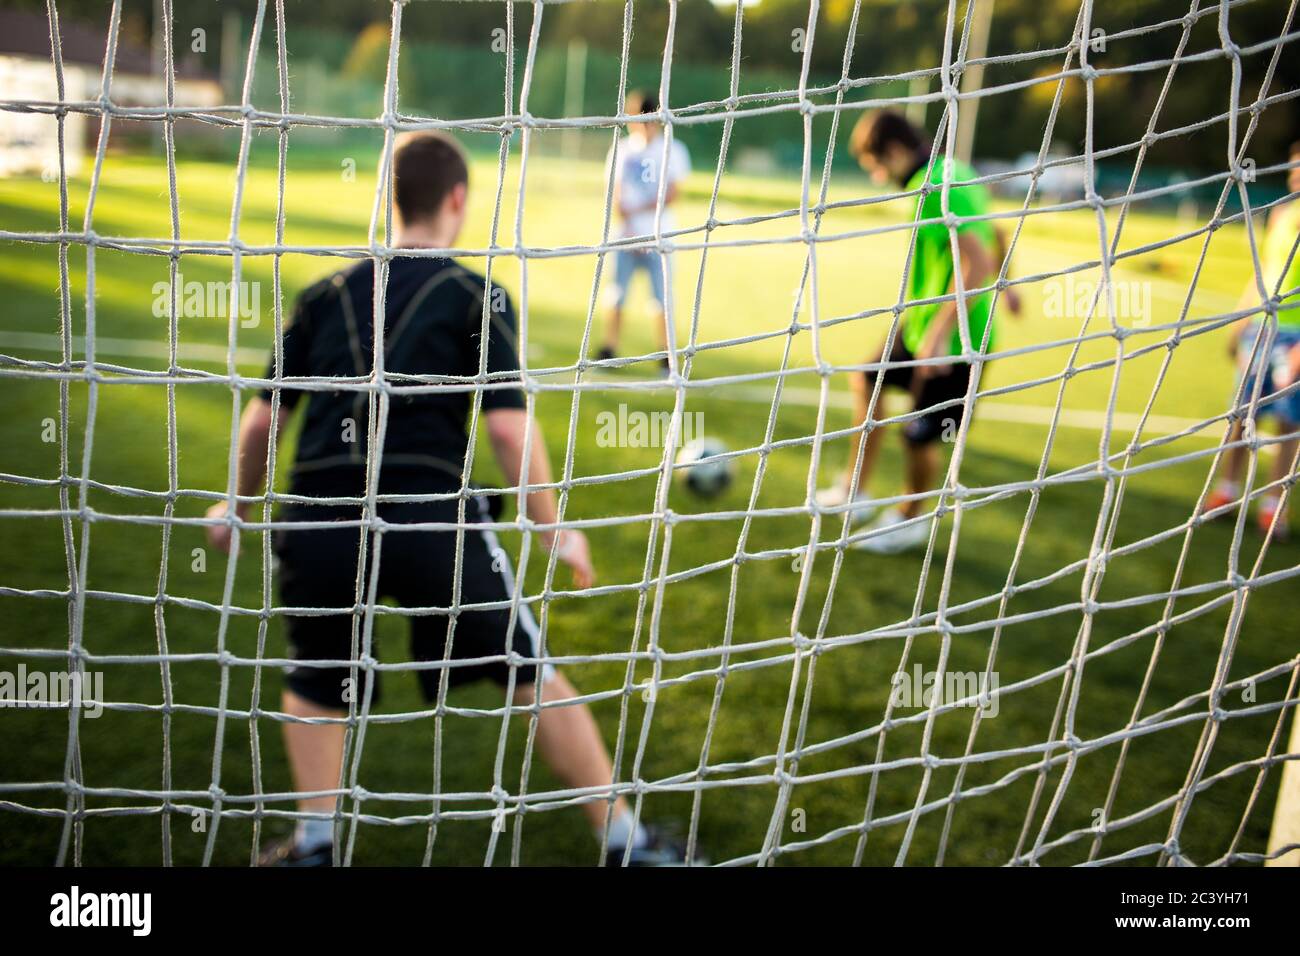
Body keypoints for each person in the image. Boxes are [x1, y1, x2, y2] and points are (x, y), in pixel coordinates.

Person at [205, 131, 696, 866]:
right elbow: (507, 429)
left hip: (320, 520)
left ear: (392, 198)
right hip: (430, 520)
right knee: (530, 670)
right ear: (458, 200)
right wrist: (553, 528)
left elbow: (265, 418)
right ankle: (626, 840)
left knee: (315, 677)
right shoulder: (476, 294)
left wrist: (234, 508)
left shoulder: (325, 294)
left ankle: (314, 842)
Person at [816, 110, 1019, 554]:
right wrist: (1012, 286)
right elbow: (995, 233)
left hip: (960, 334)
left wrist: (942, 334)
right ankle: (856, 491)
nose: (875, 175)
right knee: (867, 380)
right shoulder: (951, 171)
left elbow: (978, 261)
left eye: (874, 163)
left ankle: (910, 519)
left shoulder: (933, 186)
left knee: (921, 433)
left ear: (892, 151)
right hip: (922, 321)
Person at [1202, 141, 1300, 540]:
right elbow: (1264, 270)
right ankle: (1226, 491)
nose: (1295, 173)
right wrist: (1240, 321)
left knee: (1288, 423)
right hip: (1261, 327)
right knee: (1241, 414)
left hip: (1295, 336)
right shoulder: (1281, 212)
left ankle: (1274, 506)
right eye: (1294, 166)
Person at [595, 90, 691, 374]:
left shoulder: (672, 150)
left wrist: (638, 212)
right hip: (624, 237)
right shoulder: (623, 149)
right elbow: (615, 191)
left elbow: (672, 193)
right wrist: (624, 217)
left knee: (660, 297)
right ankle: (609, 348)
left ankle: (665, 354)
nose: (639, 128)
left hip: (659, 237)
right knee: (616, 293)